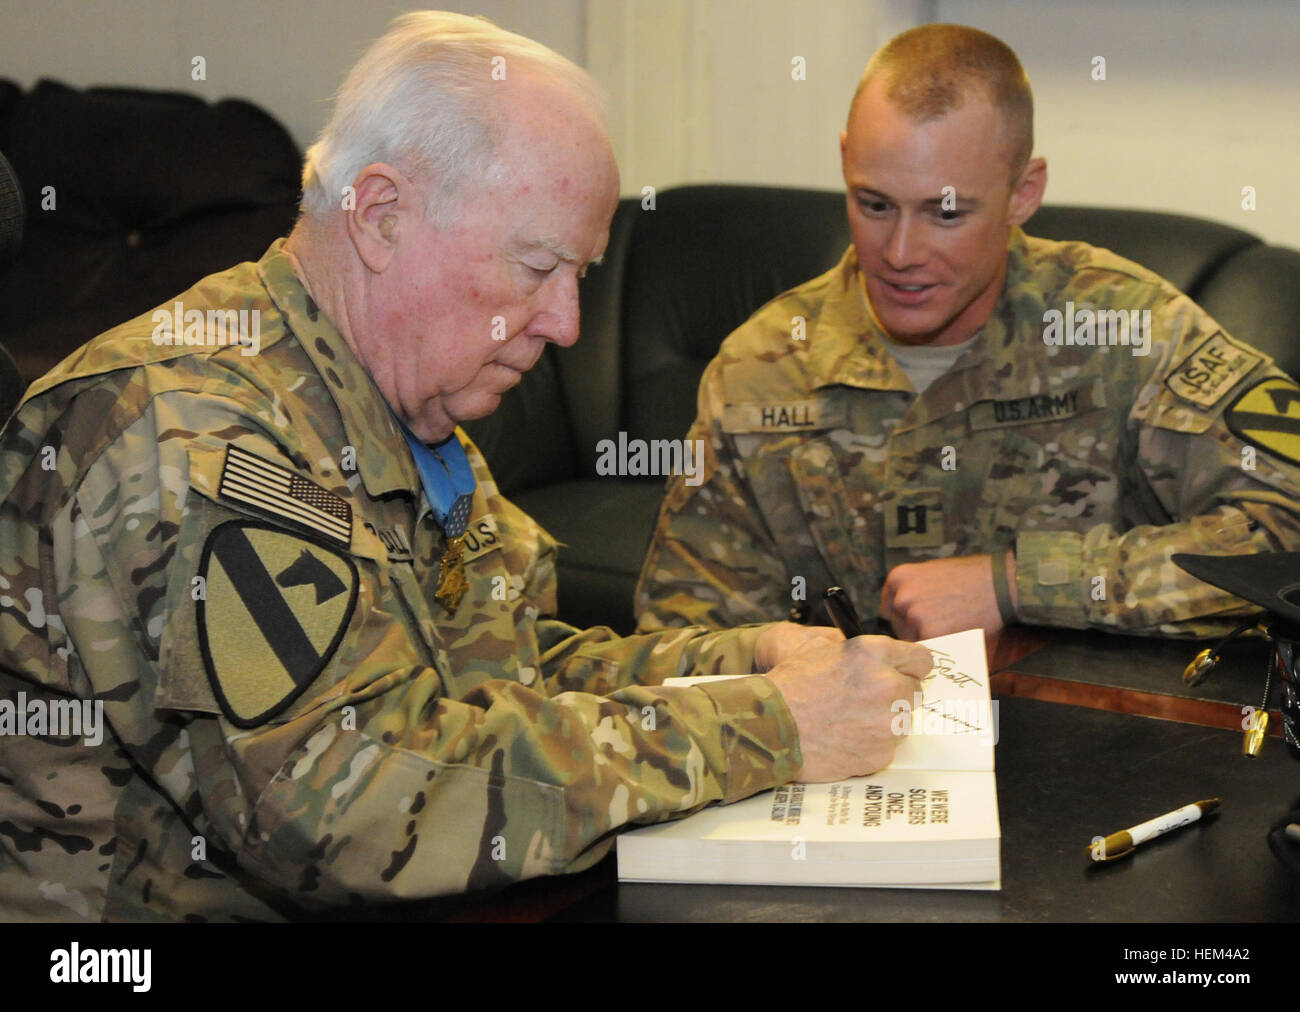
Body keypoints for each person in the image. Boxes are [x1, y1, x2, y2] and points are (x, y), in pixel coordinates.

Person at [0, 12, 932, 922]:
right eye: (537, 267)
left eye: (582, 276)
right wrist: (764, 728)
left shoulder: (398, 405)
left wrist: (744, 662)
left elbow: (497, 670)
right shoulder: (198, 435)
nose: (566, 324)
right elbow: (343, 804)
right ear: (380, 215)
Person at [635, 23, 1300, 644]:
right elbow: (683, 643)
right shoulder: (763, 368)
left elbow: (1285, 537)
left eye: (945, 213)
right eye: (874, 204)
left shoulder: (1128, 331)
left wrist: (1018, 583)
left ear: (1023, 192)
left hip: (1094, 736)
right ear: (845, 163)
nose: (900, 252)